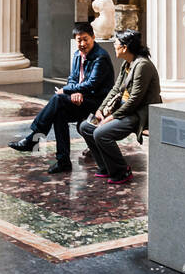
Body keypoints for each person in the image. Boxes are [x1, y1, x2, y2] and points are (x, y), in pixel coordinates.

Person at [8, 22, 114, 171]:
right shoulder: (77, 55)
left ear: (93, 37)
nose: (82, 43)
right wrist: (73, 91)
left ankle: (33, 138)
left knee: (58, 98)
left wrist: (67, 91)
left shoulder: (100, 57)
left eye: (86, 39)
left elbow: (92, 85)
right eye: (79, 40)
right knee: (60, 114)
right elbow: (72, 78)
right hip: (82, 99)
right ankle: (63, 161)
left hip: (97, 104)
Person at [78, 31, 162, 185]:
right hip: (123, 110)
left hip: (139, 114)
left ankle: (122, 171)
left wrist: (112, 117)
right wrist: (101, 109)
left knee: (101, 133)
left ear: (124, 47)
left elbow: (135, 100)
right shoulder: (127, 63)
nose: (114, 46)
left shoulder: (142, 65)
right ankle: (106, 167)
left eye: (116, 43)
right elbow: (116, 89)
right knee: (85, 127)